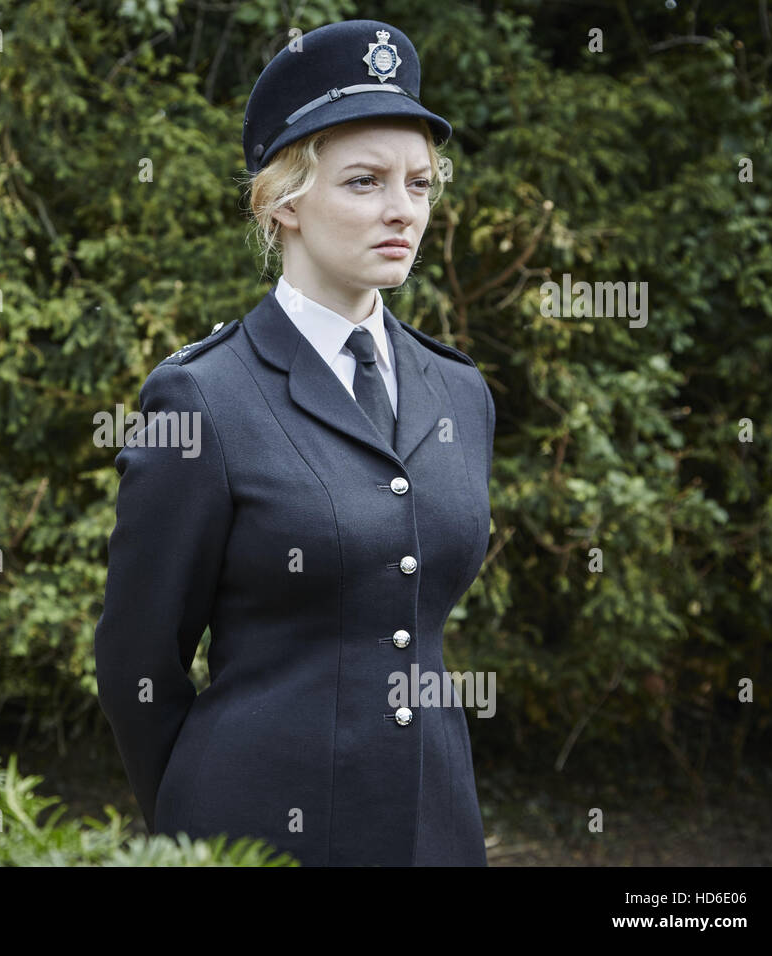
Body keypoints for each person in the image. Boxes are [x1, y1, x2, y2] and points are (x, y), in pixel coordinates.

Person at [94, 20, 495, 865]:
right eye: (364, 181)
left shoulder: (458, 390)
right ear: (282, 201)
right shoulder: (203, 395)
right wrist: (194, 827)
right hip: (256, 832)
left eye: (420, 184)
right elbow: (138, 658)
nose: (403, 209)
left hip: (437, 826)